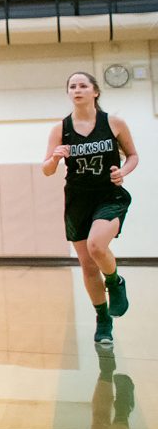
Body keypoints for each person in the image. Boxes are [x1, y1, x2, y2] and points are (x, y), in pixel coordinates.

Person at [42, 71, 140, 348]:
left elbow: (133, 155)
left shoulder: (114, 122)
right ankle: (103, 320)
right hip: (77, 199)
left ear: (95, 91)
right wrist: (55, 158)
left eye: (83, 85)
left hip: (109, 195)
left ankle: (115, 281)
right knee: (87, 265)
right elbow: (47, 169)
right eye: (72, 86)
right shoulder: (60, 129)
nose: (77, 90)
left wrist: (123, 171)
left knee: (98, 246)